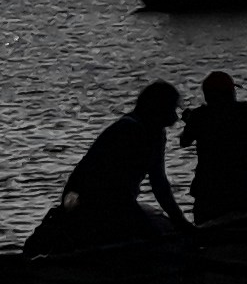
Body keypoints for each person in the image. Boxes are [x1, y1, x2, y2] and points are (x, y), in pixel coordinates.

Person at [27, 81, 187, 253]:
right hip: (90, 201)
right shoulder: (130, 131)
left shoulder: (156, 134)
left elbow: (159, 183)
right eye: (172, 109)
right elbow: (115, 188)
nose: (176, 118)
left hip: (115, 201)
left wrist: (180, 222)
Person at [177, 69, 247, 224]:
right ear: (231, 93)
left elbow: (184, 141)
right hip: (240, 193)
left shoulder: (200, 116)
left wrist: (191, 122)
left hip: (206, 194)